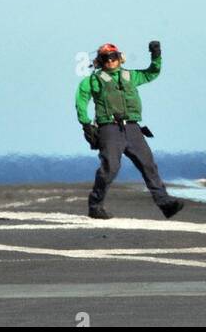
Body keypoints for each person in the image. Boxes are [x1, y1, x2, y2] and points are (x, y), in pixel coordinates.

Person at [75, 40, 185, 220]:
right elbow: (81, 99)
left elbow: (152, 73)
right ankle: (95, 205)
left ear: (119, 58)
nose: (110, 61)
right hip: (109, 129)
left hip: (133, 128)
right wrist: (86, 123)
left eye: (113, 57)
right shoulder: (92, 81)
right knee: (110, 168)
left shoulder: (130, 76)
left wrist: (156, 55)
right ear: (100, 61)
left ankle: (165, 204)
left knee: (148, 165)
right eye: (105, 58)